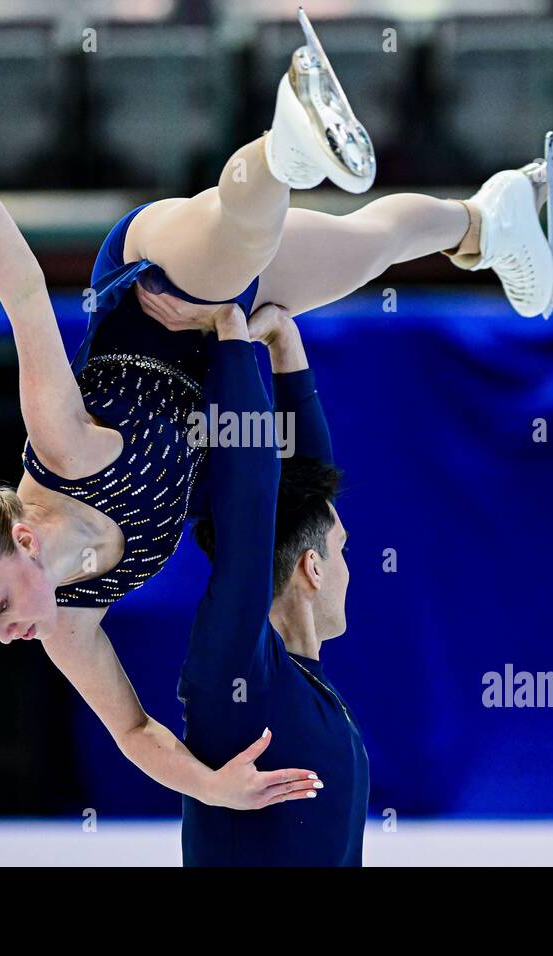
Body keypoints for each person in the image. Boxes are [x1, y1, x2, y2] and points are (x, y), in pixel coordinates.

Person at [0, 10, 552, 810]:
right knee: (371, 245)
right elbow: (134, 732)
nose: (3, 635)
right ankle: (492, 218)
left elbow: (25, 299)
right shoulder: (67, 629)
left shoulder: (61, 449)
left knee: (233, 242)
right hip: (217, 345)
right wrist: (215, 788)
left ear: (24, 538)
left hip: (148, 282)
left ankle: (286, 142)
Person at [166, 300, 366, 866]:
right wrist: (230, 340)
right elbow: (253, 506)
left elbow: (303, 498)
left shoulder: (300, 682)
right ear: (313, 568)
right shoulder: (243, 676)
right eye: (342, 551)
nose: (351, 571)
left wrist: (283, 343)